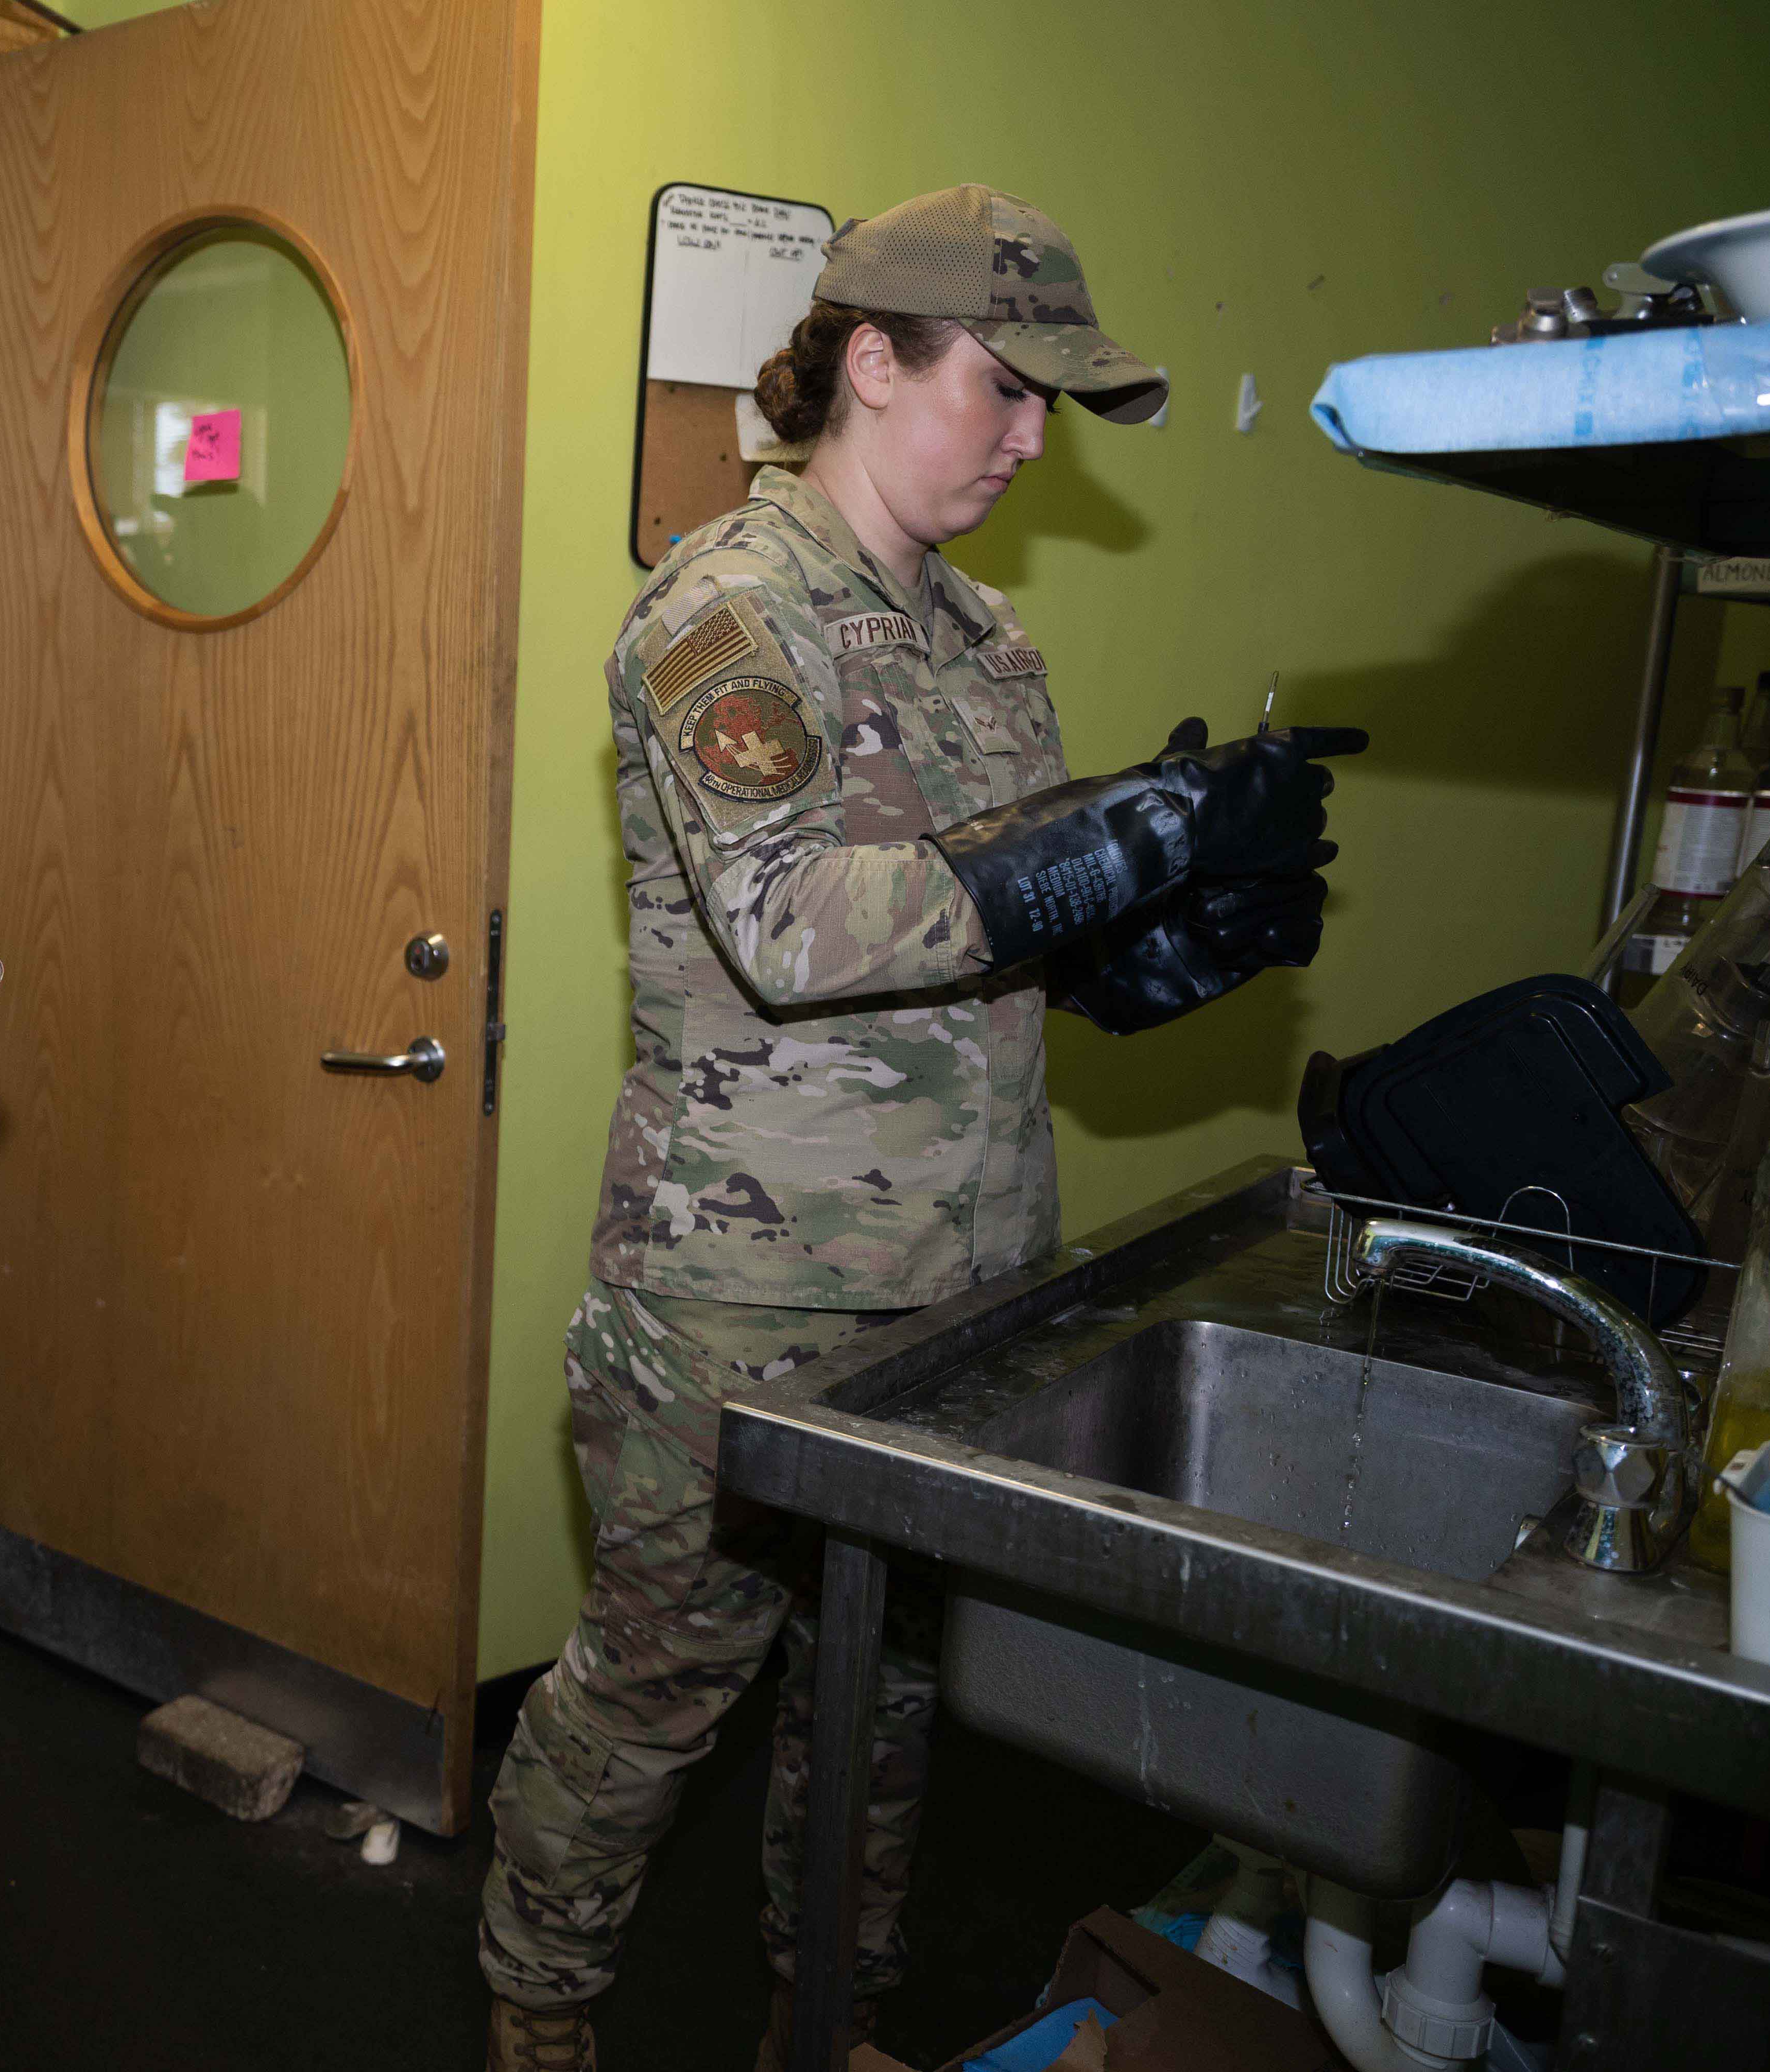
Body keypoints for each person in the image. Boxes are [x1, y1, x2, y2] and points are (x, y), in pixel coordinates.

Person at [477, 185, 1362, 2072]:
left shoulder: (981, 641)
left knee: (876, 1701)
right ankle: (534, 2006)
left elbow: (986, 932)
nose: (1030, 436)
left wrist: (1153, 937)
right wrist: (1093, 840)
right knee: (650, 1690)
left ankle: (832, 2015)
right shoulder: (724, 607)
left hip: (950, 1284)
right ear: (867, 361)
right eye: (1006, 386)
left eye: (1053, 402)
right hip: (737, 1287)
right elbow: (797, 921)